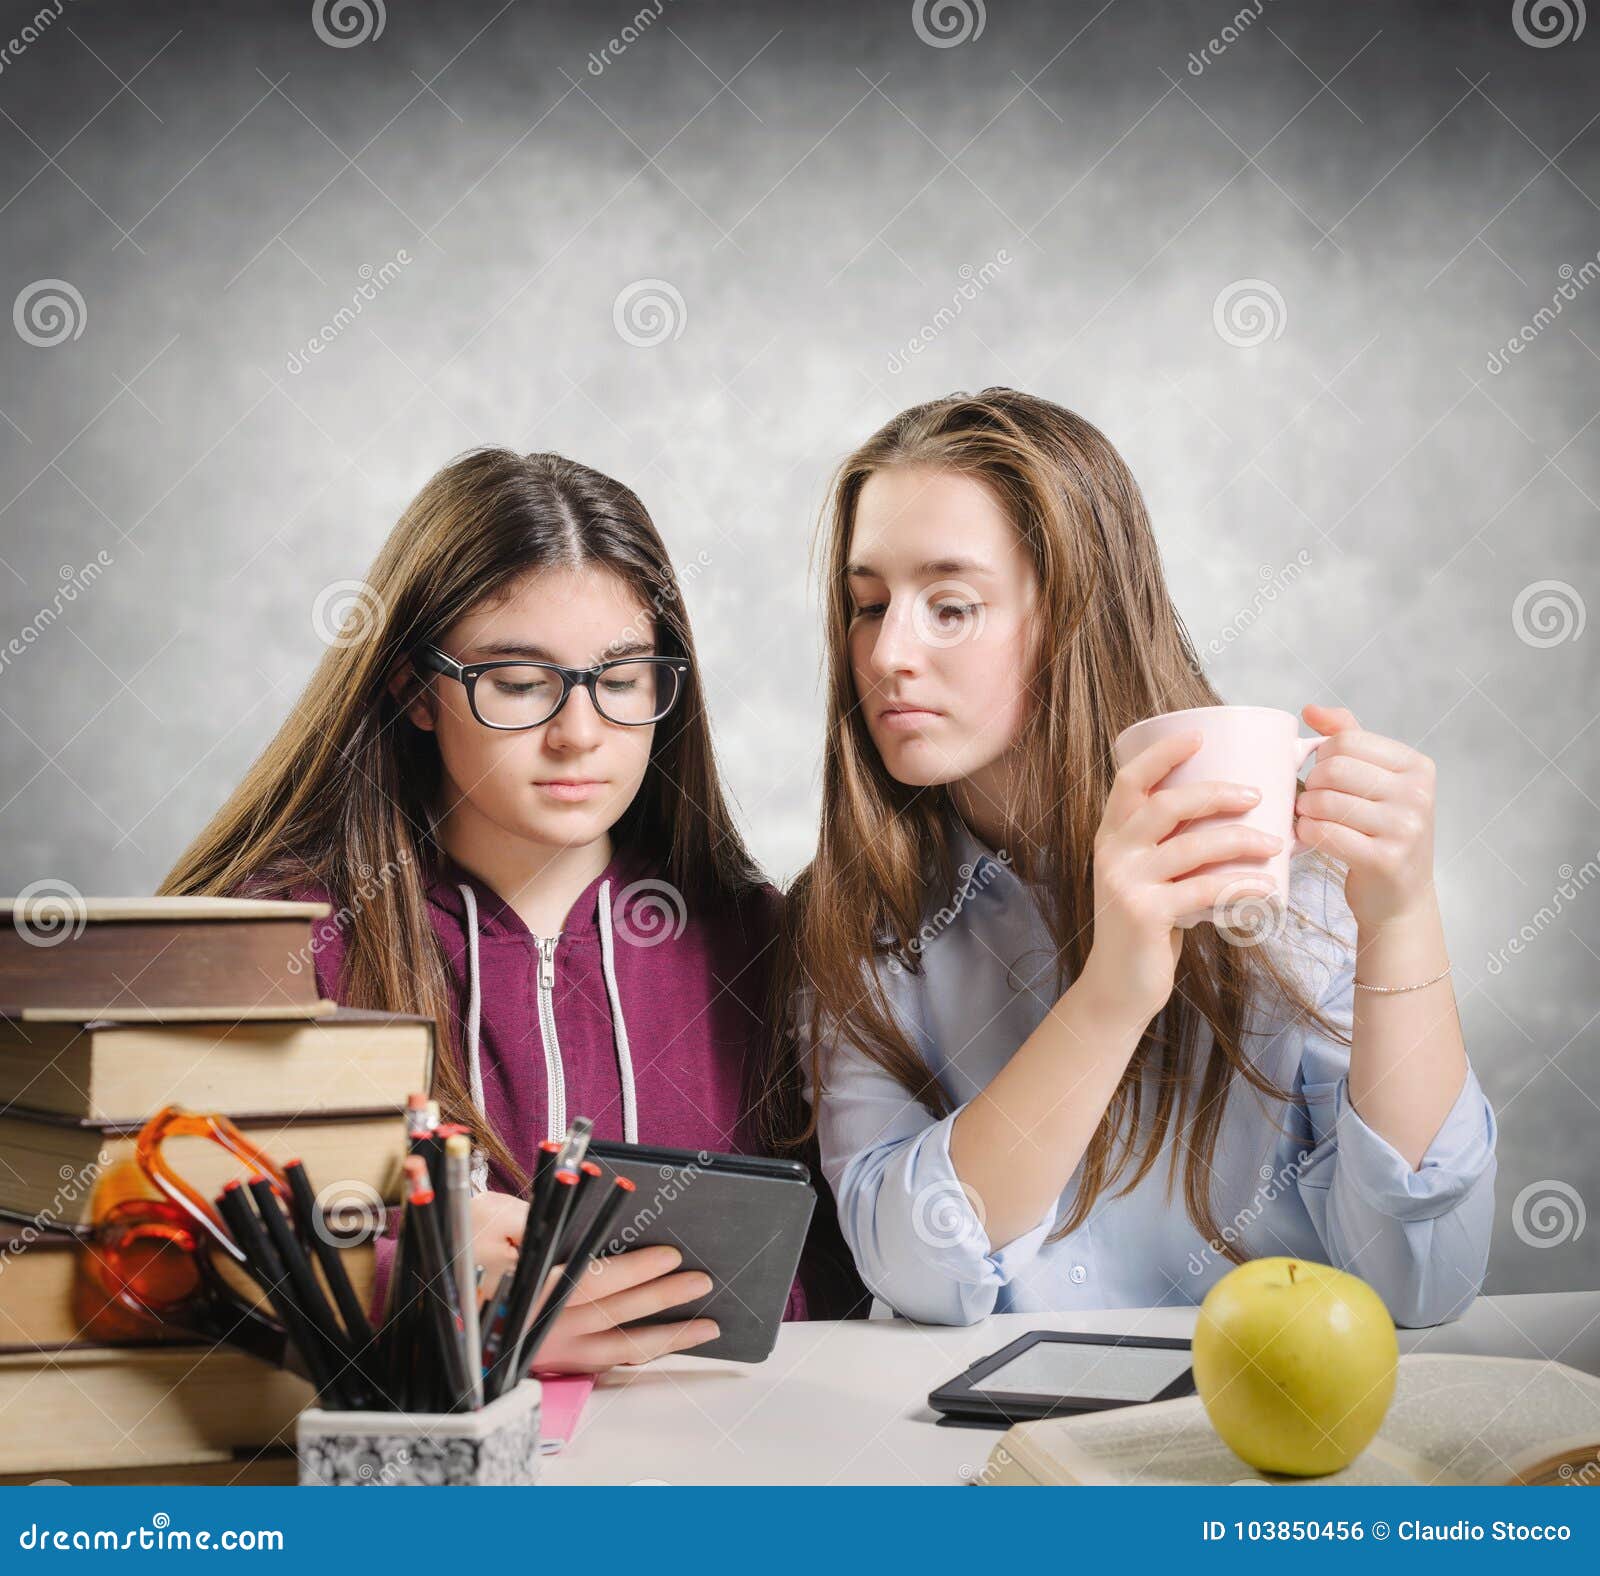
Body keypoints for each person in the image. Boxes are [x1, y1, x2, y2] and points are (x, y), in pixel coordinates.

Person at [775, 387, 1496, 1328]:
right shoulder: (854, 915)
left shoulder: (1282, 858)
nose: (888, 653)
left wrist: (1402, 920)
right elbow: (911, 1268)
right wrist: (1110, 997)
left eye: (951, 607)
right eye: (869, 604)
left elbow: (1423, 1278)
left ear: (1078, 618)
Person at [163, 446, 863, 1373]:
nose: (579, 734)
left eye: (621, 679)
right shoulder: (281, 938)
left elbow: (834, 1281)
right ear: (415, 689)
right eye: (521, 683)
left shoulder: (756, 937)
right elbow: (157, 1243)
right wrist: (434, 1316)